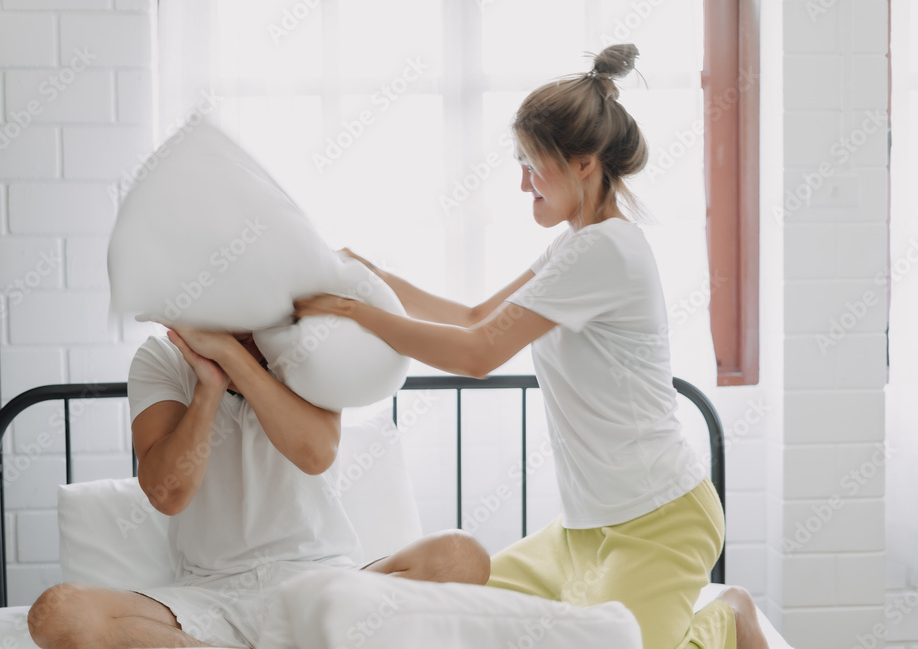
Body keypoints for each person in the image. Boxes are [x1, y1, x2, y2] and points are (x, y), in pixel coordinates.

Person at [293, 44, 769, 649]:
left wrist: (354, 311)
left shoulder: (605, 251)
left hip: (660, 521)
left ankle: (730, 612)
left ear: (584, 163)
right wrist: (371, 277)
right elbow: (474, 316)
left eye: (532, 164)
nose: (522, 183)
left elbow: (476, 354)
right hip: (582, 531)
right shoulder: (575, 247)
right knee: (466, 617)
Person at [27, 328, 490, 649]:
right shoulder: (162, 356)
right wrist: (208, 386)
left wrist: (233, 358)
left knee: (462, 556)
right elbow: (168, 492)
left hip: (326, 585)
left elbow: (315, 454)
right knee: (57, 614)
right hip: (210, 596)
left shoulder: (309, 350)